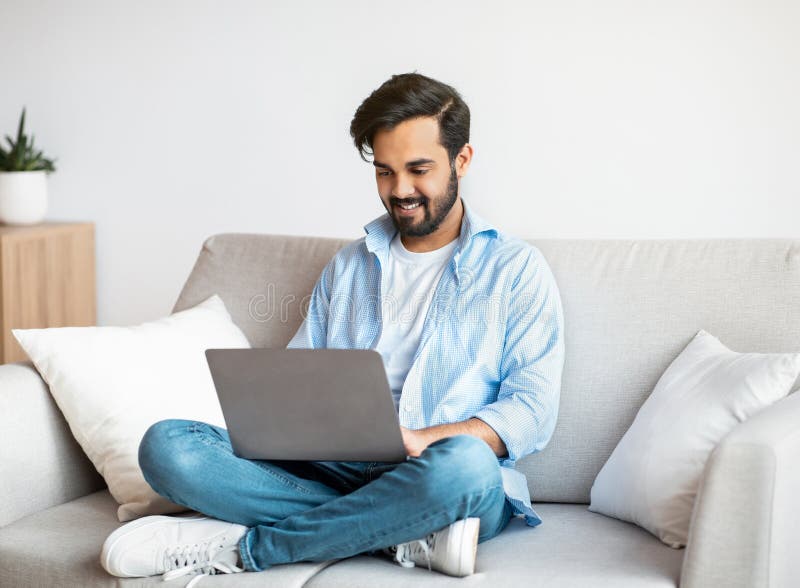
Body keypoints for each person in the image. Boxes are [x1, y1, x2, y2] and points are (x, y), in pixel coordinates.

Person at [100, 72, 565, 585]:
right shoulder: (349, 266)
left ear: (462, 161)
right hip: (333, 467)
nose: (400, 190)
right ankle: (396, 531)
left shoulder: (516, 270)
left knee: (468, 467)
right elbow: (299, 376)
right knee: (168, 447)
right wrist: (285, 420)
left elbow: (531, 412)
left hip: (438, 473)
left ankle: (251, 549)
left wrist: (418, 440)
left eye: (418, 169)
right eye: (385, 172)